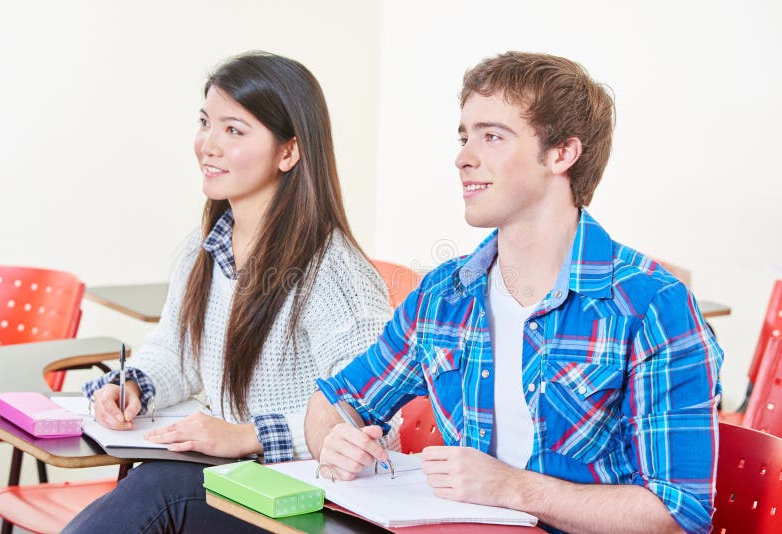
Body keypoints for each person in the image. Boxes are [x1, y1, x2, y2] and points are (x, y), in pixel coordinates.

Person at [305, 51, 723, 534]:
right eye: (464, 137)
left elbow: (677, 515)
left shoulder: (652, 304)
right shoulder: (444, 295)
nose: (463, 157)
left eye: (492, 136)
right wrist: (331, 440)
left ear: (562, 153)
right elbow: (334, 399)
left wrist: (511, 487)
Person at [63, 51, 392, 533]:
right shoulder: (204, 251)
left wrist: (245, 436)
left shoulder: (334, 272)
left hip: (308, 501)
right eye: (205, 123)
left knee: (158, 491)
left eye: (234, 130)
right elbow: (176, 353)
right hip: (238, 483)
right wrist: (133, 386)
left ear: (289, 152)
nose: (208, 145)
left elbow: (368, 416)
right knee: (155, 483)